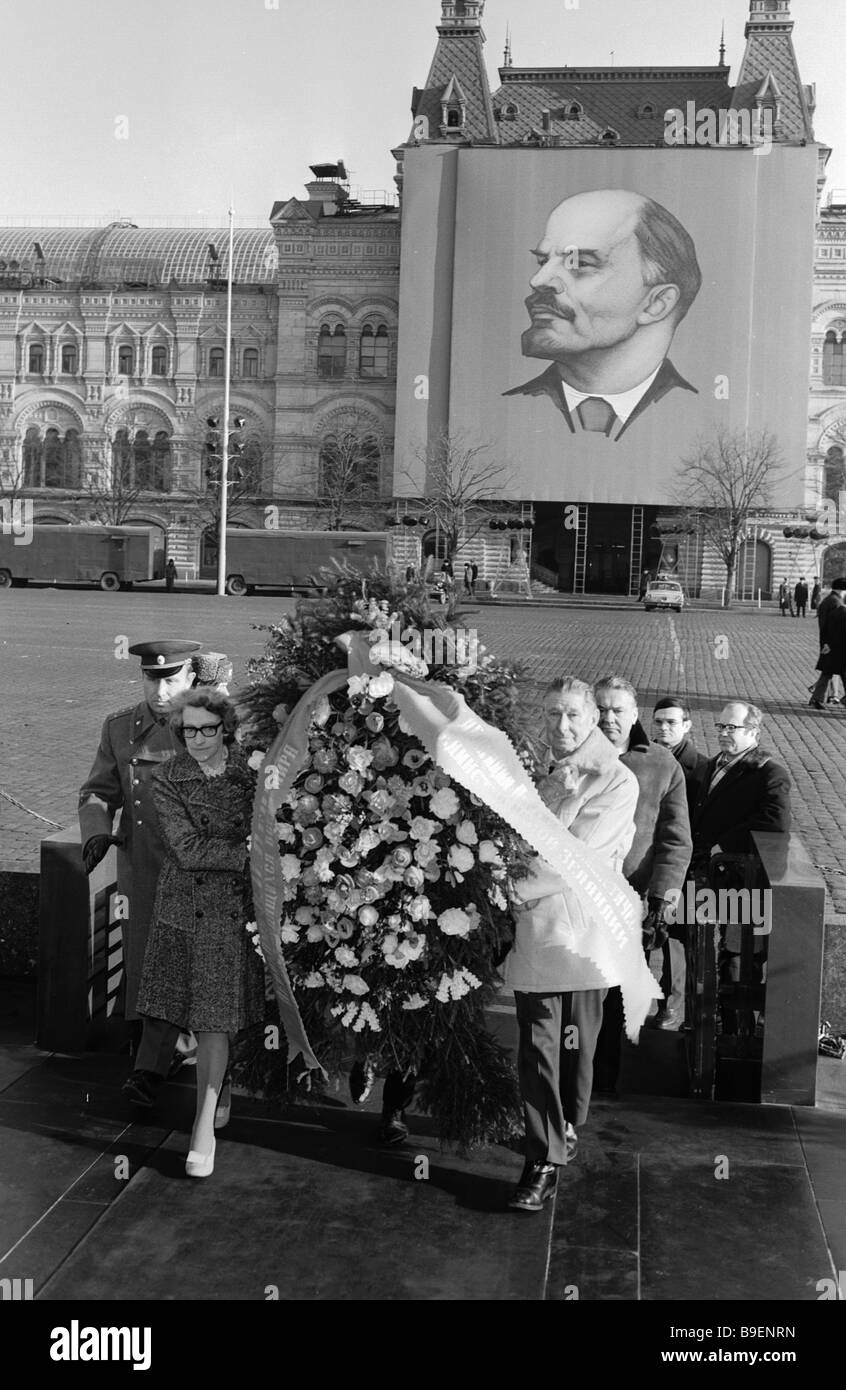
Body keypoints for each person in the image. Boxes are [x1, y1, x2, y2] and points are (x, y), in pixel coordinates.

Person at [504, 678, 639, 1212]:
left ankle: (566, 1123)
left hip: (583, 936)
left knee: (576, 1052)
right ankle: (542, 1160)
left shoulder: (617, 781)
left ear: (592, 719)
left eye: (573, 717)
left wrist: (503, 886)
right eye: (553, 715)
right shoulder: (531, 770)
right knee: (538, 1049)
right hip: (536, 935)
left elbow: (574, 857)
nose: (562, 728)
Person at [137, 689, 265, 1178]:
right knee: (206, 1017)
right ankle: (216, 1098)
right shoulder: (166, 778)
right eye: (188, 729)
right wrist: (252, 856)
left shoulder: (251, 772)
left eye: (207, 729)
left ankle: (201, 1129)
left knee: (216, 1020)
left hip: (235, 915)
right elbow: (188, 848)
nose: (197, 739)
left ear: (226, 728)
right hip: (187, 909)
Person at [79, 639, 201, 1107]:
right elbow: (97, 791)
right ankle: (160, 1056)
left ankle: (155, 1063)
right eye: (153, 678)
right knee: (149, 965)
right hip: (143, 868)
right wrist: (95, 832)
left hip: (194, 868)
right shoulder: (120, 728)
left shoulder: (208, 727)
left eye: (172, 678)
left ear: (190, 678)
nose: (161, 689)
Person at [503, 189, 701, 440]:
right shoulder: (506, 413)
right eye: (543, 262)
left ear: (657, 303)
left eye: (580, 263)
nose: (538, 280)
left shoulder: (697, 421)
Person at [593, 676, 692, 1062]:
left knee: (615, 996)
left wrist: (663, 898)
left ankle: (601, 1081)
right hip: (571, 896)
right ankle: (568, 1077)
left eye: (618, 710)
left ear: (634, 715)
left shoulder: (661, 764)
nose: (609, 718)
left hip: (629, 899)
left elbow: (675, 840)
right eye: (600, 709)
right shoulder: (568, 754)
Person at [689, 702, 791, 1034]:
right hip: (705, 874)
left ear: (753, 733)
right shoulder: (710, 766)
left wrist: (724, 844)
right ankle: (703, 1020)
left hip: (740, 879)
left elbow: (775, 821)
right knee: (699, 947)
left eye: (732, 728)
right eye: (720, 727)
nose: (723, 734)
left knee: (738, 956)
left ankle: (735, 1031)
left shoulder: (769, 772)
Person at [651, 696, 708, 818]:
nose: (663, 728)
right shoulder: (636, 757)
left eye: (671, 722)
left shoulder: (703, 767)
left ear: (686, 726)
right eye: (658, 722)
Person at [809, 578, 846, 709]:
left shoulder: (830, 600)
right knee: (835, 670)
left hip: (829, 642)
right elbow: (833, 626)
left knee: (828, 671)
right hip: (834, 643)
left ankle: (817, 698)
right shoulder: (836, 603)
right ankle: (820, 698)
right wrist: (827, 643)